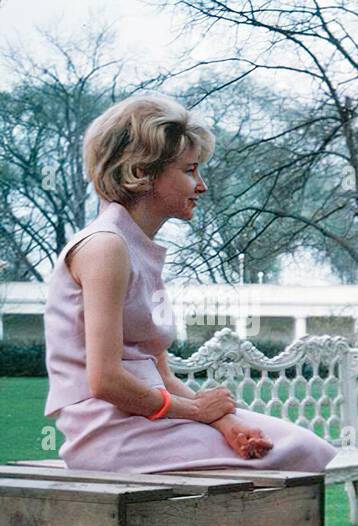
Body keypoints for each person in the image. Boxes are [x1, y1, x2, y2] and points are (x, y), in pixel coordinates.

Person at [44, 94, 336, 474]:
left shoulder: (137, 246)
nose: (201, 186)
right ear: (142, 172)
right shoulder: (105, 247)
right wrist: (197, 409)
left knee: (293, 445)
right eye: (190, 170)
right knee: (295, 450)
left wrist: (228, 424)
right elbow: (105, 380)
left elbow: (161, 375)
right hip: (111, 434)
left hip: (148, 419)